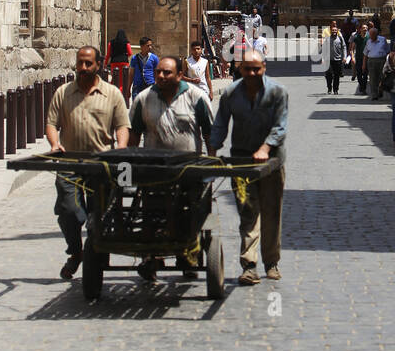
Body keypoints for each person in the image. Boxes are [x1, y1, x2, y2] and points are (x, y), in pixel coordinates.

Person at [45, 46, 130, 280]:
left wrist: (120, 148)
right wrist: (54, 144)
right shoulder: (63, 93)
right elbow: (52, 124)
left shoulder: (112, 94)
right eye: (80, 63)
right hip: (70, 163)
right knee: (69, 209)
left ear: (98, 65)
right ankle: (75, 252)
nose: (83, 68)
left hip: (101, 164)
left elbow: (122, 126)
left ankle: (98, 252)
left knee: (100, 214)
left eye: (88, 64)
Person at [129, 55, 215, 281]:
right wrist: (128, 162)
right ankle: (152, 257)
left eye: (166, 72)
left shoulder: (196, 97)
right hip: (153, 172)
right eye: (158, 72)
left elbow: (209, 133)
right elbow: (134, 133)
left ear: (179, 75)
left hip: (188, 171)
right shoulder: (144, 99)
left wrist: (212, 165)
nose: (160, 76)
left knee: (187, 214)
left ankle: (188, 256)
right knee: (151, 214)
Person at [210, 50, 288, 286]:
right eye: (247, 69)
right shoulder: (231, 94)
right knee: (247, 211)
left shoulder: (277, 92)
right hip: (242, 162)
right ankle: (249, 265)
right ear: (240, 69)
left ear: (264, 67)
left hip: (271, 162)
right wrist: (212, 152)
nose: (252, 73)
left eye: (257, 69)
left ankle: (272, 262)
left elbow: (280, 126)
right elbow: (220, 123)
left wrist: (265, 148)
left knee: (271, 212)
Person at [319, 19, 348, 94]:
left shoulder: (340, 39)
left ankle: (336, 89)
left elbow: (344, 47)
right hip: (328, 60)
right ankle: (329, 87)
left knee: (337, 76)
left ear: (337, 31)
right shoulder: (327, 39)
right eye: (333, 30)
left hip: (338, 60)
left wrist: (344, 57)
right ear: (331, 31)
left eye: (335, 30)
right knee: (328, 75)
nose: (334, 31)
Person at [363, 24, 389, 100]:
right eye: (370, 35)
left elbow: (388, 51)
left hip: (381, 60)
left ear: (377, 35)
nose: (371, 37)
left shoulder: (383, 40)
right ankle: (374, 94)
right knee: (373, 78)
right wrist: (364, 64)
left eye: (373, 35)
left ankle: (380, 90)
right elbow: (365, 54)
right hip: (371, 61)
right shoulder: (368, 41)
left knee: (382, 77)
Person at [131, 36, 159, 100]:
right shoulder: (134, 58)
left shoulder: (154, 58)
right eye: (148, 46)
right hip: (137, 86)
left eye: (150, 45)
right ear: (142, 46)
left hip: (150, 86)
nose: (150, 47)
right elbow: (131, 73)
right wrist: (128, 88)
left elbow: (156, 72)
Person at [350, 21, 369, 93]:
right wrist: (352, 57)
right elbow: (352, 49)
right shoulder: (356, 37)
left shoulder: (369, 37)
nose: (365, 29)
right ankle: (361, 86)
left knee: (365, 74)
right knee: (359, 74)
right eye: (363, 28)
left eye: (366, 28)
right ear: (360, 29)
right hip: (358, 58)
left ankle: (363, 88)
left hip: (367, 58)